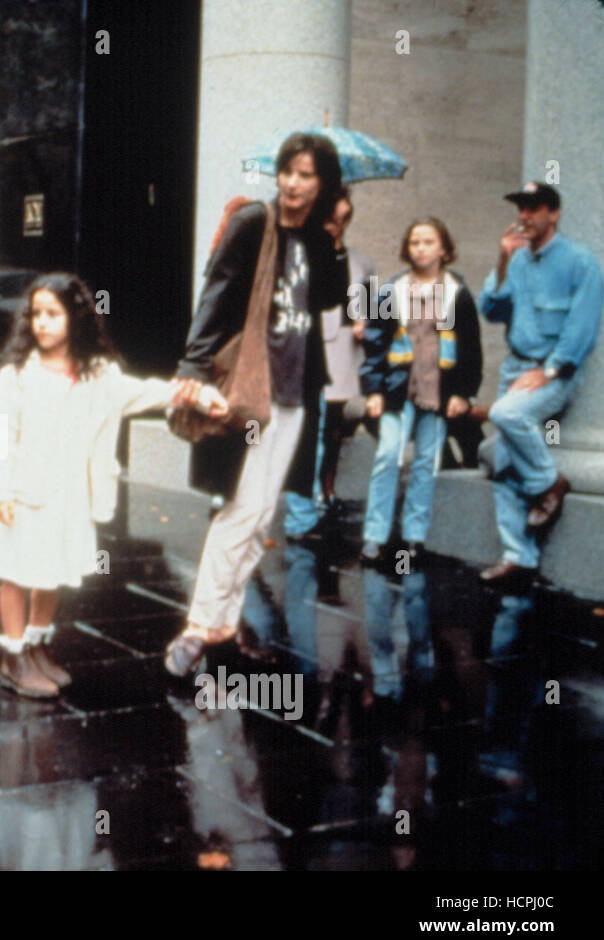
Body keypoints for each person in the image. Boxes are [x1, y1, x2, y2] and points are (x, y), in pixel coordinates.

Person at [165, 132, 349, 677]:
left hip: (296, 392)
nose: (292, 183)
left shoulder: (318, 237)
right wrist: (195, 367)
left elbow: (330, 301)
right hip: (250, 390)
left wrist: (335, 242)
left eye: (306, 175)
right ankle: (200, 624)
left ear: (324, 184)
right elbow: (216, 291)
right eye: (287, 171)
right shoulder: (253, 223)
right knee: (240, 506)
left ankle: (224, 623)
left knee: (263, 513)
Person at [0, 272, 180, 698]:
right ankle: (14, 659)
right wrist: (1, 492)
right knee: (17, 573)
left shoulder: (98, 376)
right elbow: (0, 436)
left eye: (52, 314)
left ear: (75, 318)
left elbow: (141, 393)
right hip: (26, 493)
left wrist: (185, 393)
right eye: (35, 314)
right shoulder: (17, 376)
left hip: (69, 496)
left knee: (52, 571)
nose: (41, 323)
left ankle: (37, 647)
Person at [477, 182, 603, 581]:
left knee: (505, 414)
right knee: (501, 463)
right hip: (515, 367)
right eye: (521, 208)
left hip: (552, 372)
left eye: (534, 209)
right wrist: (501, 260)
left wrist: (549, 369)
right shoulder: (515, 260)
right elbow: (492, 312)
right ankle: (519, 556)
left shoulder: (581, 262)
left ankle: (550, 483)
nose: (524, 216)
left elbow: (581, 328)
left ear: (554, 214)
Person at [359, 216, 482, 562]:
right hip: (397, 388)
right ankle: (375, 535)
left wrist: (463, 393)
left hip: (438, 391)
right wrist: (373, 390)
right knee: (387, 456)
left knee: (427, 461)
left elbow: (470, 350)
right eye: (414, 242)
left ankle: (414, 535)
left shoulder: (457, 293)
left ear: (443, 248)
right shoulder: (389, 290)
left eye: (428, 242)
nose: (421, 248)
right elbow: (373, 343)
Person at [284, 186, 374, 541]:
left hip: (342, 348)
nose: (337, 227)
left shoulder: (360, 259)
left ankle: (325, 492)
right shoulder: (302, 253)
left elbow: (371, 306)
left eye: (343, 220)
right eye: (331, 220)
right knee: (308, 428)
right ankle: (303, 504)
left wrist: (366, 320)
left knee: (331, 426)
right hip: (306, 345)